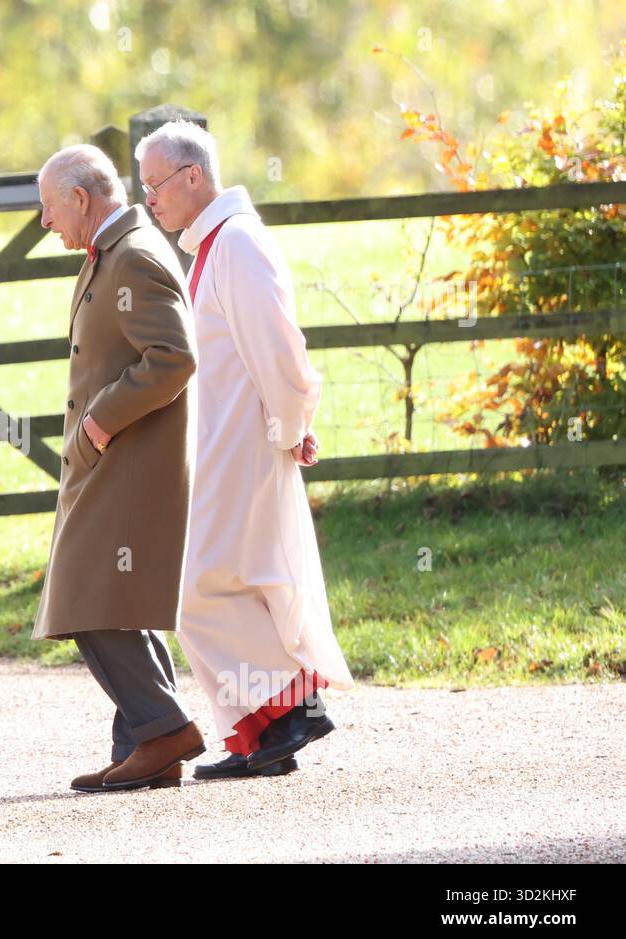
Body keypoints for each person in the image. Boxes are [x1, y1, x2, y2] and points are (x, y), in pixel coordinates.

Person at [134, 119, 355, 780]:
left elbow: (281, 349)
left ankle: (288, 708)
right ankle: (264, 730)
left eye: (156, 184)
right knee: (218, 584)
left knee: (196, 589)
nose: (151, 200)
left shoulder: (237, 244)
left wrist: (292, 424)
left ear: (194, 175)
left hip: (249, 447)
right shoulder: (215, 243)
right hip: (225, 445)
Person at [29, 143, 205, 793]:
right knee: (116, 599)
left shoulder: (132, 255)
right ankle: (143, 745)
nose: (45, 221)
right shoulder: (117, 250)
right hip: (114, 459)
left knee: (88, 598)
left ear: (80, 197)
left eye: (49, 207)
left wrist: (99, 422)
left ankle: (164, 728)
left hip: (128, 458)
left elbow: (174, 356)